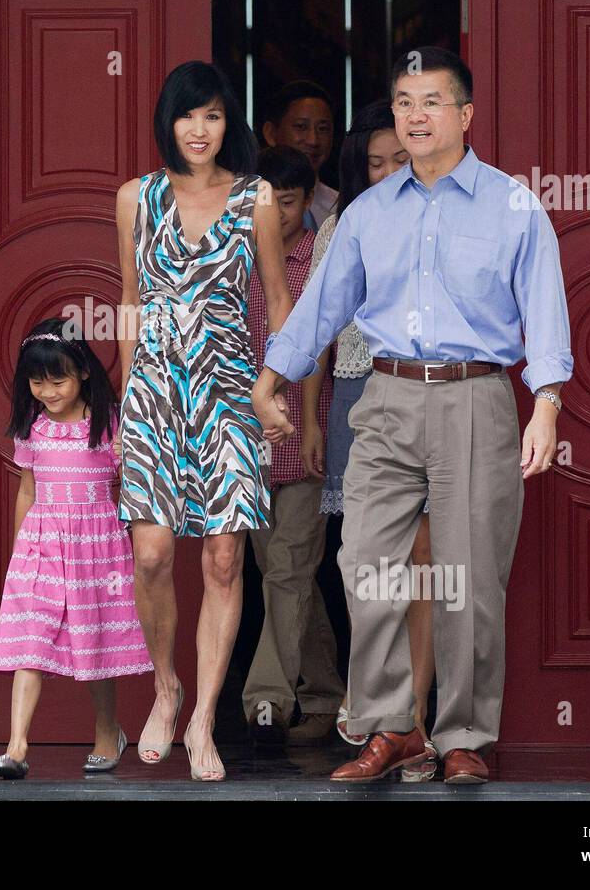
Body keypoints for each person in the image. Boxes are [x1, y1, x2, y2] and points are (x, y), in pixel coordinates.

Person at [253, 47, 572, 785]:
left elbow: (546, 312)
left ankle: (464, 733)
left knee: (469, 573)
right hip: (388, 397)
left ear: (465, 114)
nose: (416, 115)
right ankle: (395, 725)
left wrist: (547, 403)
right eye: (404, 101)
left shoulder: (512, 204)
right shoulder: (369, 213)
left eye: (432, 101)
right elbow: (321, 308)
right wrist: (273, 374)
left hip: (476, 394)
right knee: (363, 561)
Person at [116, 61, 293, 781]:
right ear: (169, 121)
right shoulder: (135, 198)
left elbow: (280, 301)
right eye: (188, 115)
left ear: (230, 125)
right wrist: (127, 398)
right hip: (155, 393)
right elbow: (129, 299)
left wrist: (273, 388)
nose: (200, 129)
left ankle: (202, 719)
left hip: (227, 392)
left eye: (214, 116)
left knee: (224, 558)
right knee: (153, 554)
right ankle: (166, 685)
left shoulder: (256, 199)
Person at [302, 99, 434, 764]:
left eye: (399, 159)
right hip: (358, 395)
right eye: (375, 162)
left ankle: (414, 722)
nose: (387, 172)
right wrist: (308, 419)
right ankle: (377, 703)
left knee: (425, 563)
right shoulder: (342, 229)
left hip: (438, 397)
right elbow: (316, 333)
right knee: (367, 564)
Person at [0, 317, 153, 779]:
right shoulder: (32, 428)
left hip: (97, 547)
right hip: (42, 545)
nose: (47, 390)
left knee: (93, 643)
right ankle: (16, 747)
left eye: (57, 379)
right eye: (37, 381)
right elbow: (27, 490)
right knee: (29, 642)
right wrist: (22, 548)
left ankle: (107, 730)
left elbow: (135, 487)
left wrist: (129, 456)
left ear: (82, 371)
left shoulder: (109, 423)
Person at [240, 144, 342, 747]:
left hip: (306, 435)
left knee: (289, 567)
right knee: (283, 573)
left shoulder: (316, 263)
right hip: (247, 442)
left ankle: (265, 699)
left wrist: (309, 425)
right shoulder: (237, 262)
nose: (275, 212)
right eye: (267, 199)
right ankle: (325, 692)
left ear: (308, 203)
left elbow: (317, 356)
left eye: (288, 201)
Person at [260, 80, 339, 230]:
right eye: (301, 127)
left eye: (323, 129)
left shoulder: (343, 208)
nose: (313, 140)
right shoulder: (246, 203)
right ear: (271, 133)